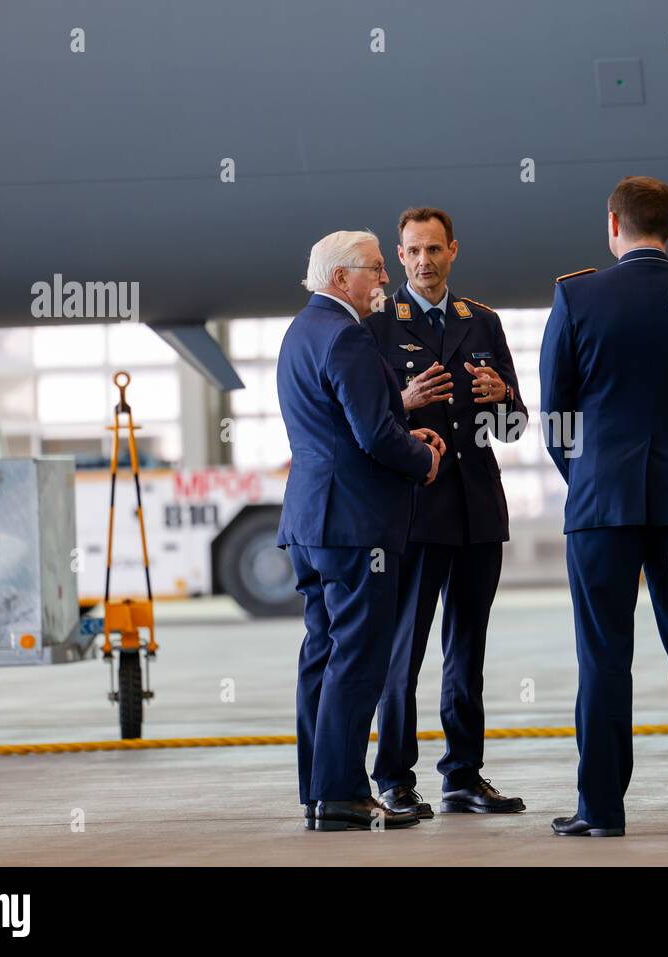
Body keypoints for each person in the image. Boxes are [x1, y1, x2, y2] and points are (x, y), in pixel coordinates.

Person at [538, 176, 668, 837]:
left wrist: (586, 476)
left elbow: (556, 411)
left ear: (612, 224)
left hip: (602, 507)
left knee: (603, 655)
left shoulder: (577, 296)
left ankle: (600, 811)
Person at [276, 229, 444, 832]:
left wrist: (401, 427)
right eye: (376, 269)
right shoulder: (346, 336)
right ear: (341, 277)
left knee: (322, 654)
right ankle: (345, 792)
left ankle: (320, 791)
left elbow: (346, 423)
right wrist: (422, 459)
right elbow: (373, 435)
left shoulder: (301, 332)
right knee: (359, 656)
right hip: (355, 525)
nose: (384, 280)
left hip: (311, 521)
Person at [362, 207, 527, 817]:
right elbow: (360, 422)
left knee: (467, 649)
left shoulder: (481, 322)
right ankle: (394, 778)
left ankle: (463, 775)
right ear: (400, 258)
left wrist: (503, 397)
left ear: (453, 250)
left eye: (435, 249)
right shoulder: (377, 323)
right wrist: (401, 402)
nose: (425, 261)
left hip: (477, 510)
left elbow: (515, 426)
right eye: (413, 252)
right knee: (404, 649)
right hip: (414, 512)